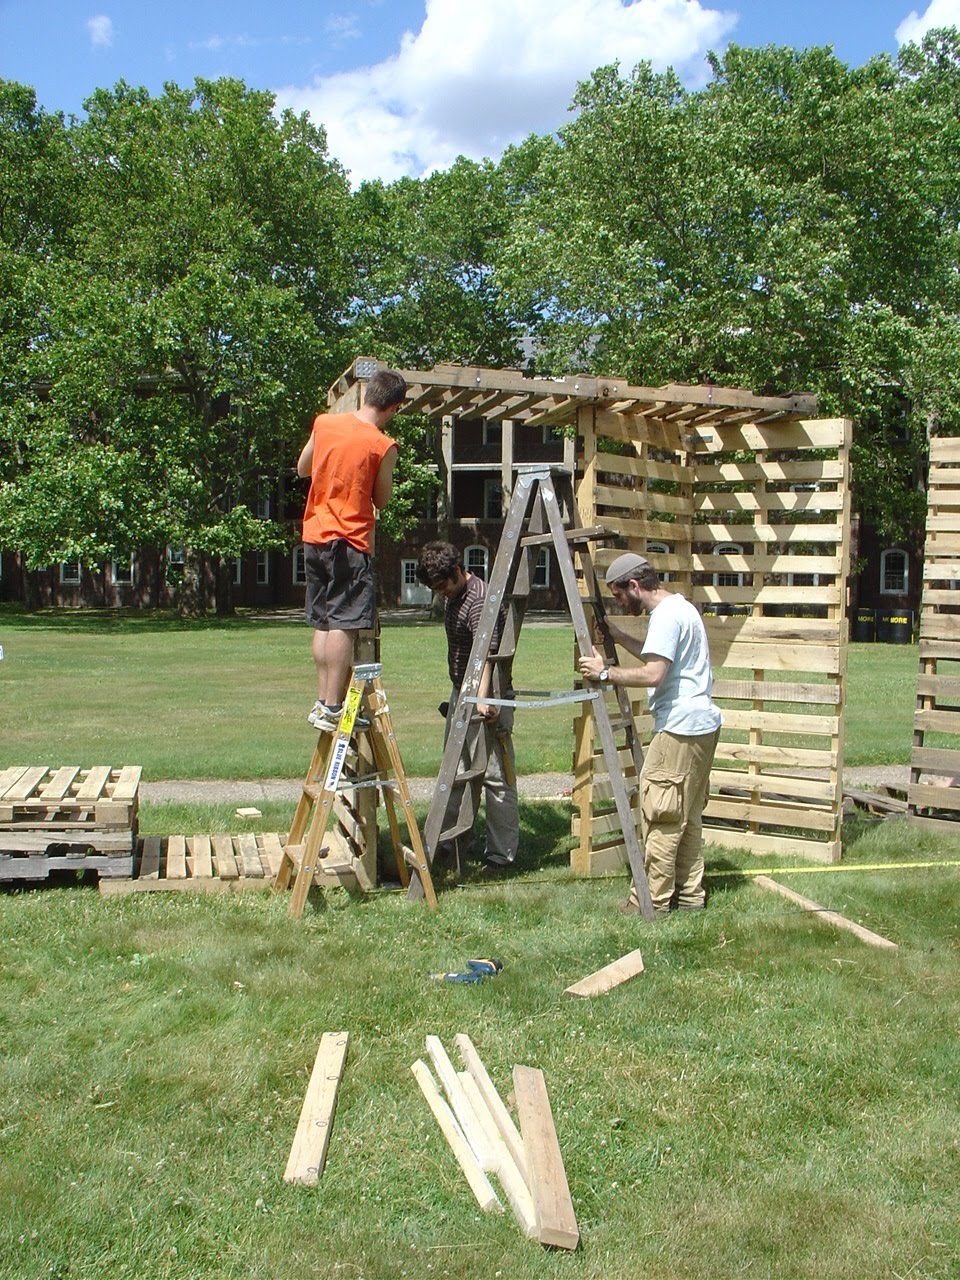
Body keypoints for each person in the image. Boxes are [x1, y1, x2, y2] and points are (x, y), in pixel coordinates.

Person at [578, 552, 721, 917]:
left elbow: (654, 673)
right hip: (701, 726)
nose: (619, 602)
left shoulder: (665, 616)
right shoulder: (680, 608)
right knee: (685, 815)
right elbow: (660, 657)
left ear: (636, 585)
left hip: (679, 729)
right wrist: (620, 636)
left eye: (620, 594)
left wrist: (604, 673)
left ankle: (650, 902)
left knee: (661, 815)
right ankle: (690, 898)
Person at [297, 369, 406, 734]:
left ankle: (322, 700)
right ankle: (332, 705)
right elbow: (382, 499)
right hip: (350, 541)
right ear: (393, 407)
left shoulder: (325, 423)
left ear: (366, 395)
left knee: (323, 620)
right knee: (344, 623)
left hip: (314, 535)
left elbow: (302, 468)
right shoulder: (383, 445)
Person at [417, 541, 519, 869]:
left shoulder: (479, 600)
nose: (441, 593)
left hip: (486, 695)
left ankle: (501, 857)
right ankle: (450, 846)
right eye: (435, 589)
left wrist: (483, 700)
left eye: (443, 585)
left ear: (459, 570)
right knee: (457, 770)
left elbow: (487, 653)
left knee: (495, 777)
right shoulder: (456, 595)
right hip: (464, 691)